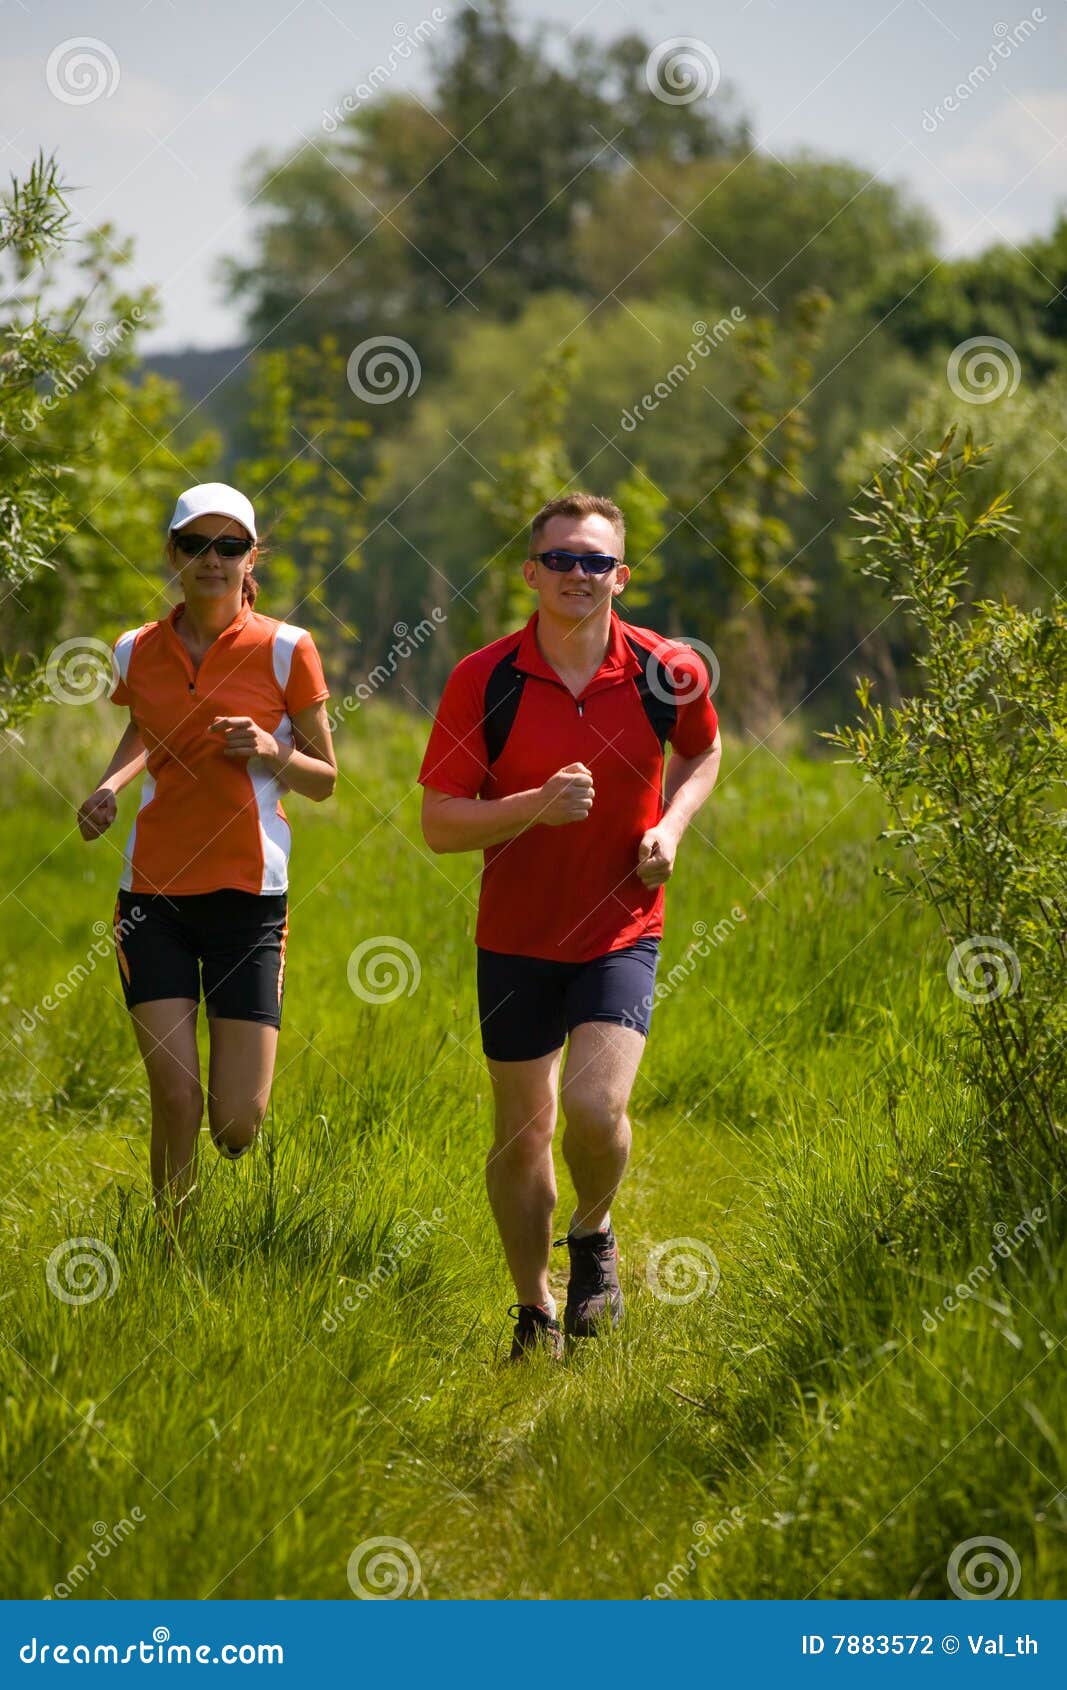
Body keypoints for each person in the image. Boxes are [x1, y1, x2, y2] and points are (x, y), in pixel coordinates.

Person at [419, 492, 721, 1359]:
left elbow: (703, 750)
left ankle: (592, 1238)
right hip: (513, 935)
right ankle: (533, 1309)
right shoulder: (485, 678)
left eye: (595, 562)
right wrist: (531, 808)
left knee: (595, 1104)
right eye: (561, 560)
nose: (578, 575)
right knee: (523, 1134)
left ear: (620, 576)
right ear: (530, 573)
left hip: (622, 924)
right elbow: (440, 824)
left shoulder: (670, 670)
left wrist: (669, 825)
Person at [77, 483, 336, 1229]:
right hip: (150, 896)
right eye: (196, 545)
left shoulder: (288, 649)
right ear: (173, 554)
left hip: (248, 902)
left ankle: (207, 1186)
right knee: (174, 1094)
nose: (211, 560)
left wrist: (269, 748)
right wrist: (109, 785)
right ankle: (170, 1249)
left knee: (234, 1125)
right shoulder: (135, 648)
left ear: (250, 557)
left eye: (229, 546)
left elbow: (325, 780)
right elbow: (146, 730)